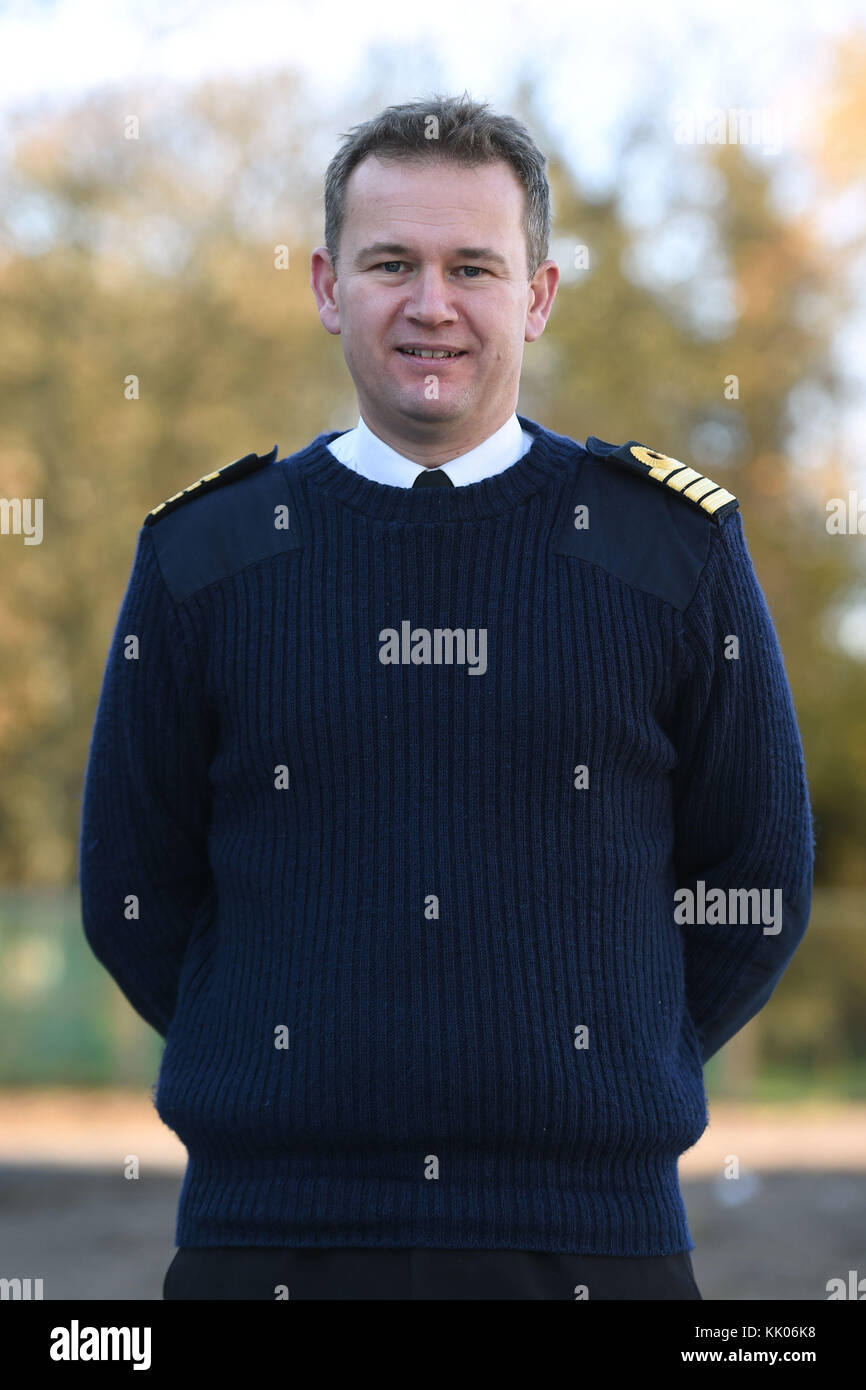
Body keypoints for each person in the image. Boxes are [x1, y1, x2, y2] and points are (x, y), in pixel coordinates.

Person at [78, 93, 814, 1301]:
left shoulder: (670, 552)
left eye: (473, 265)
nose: (431, 304)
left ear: (536, 295)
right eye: (390, 264)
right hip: (270, 1239)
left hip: (592, 1243)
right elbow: (132, 888)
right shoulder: (207, 554)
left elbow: (755, 873)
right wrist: (286, 1065)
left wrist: (603, 1062)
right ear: (326, 286)